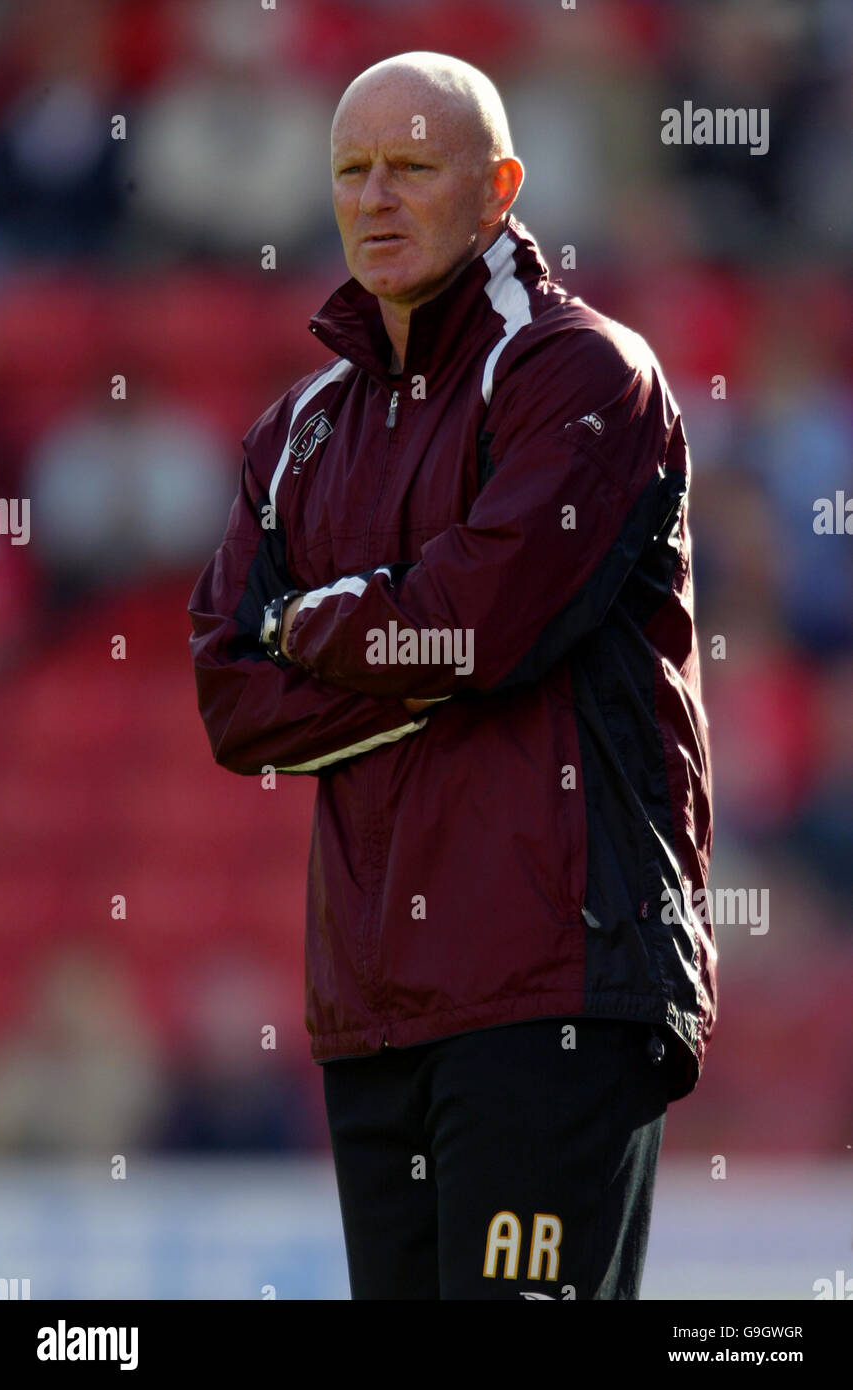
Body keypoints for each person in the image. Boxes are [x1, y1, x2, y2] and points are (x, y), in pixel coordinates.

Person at [188, 51, 717, 1301]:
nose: (374, 197)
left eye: (413, 167)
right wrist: (408, 623)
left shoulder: (584, 375)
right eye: (352, 171)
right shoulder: (297, 430)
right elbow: (228, 697)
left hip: (556, 987)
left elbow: (477, 626)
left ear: (499, 188)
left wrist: (316, 622)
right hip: (372, 1009)